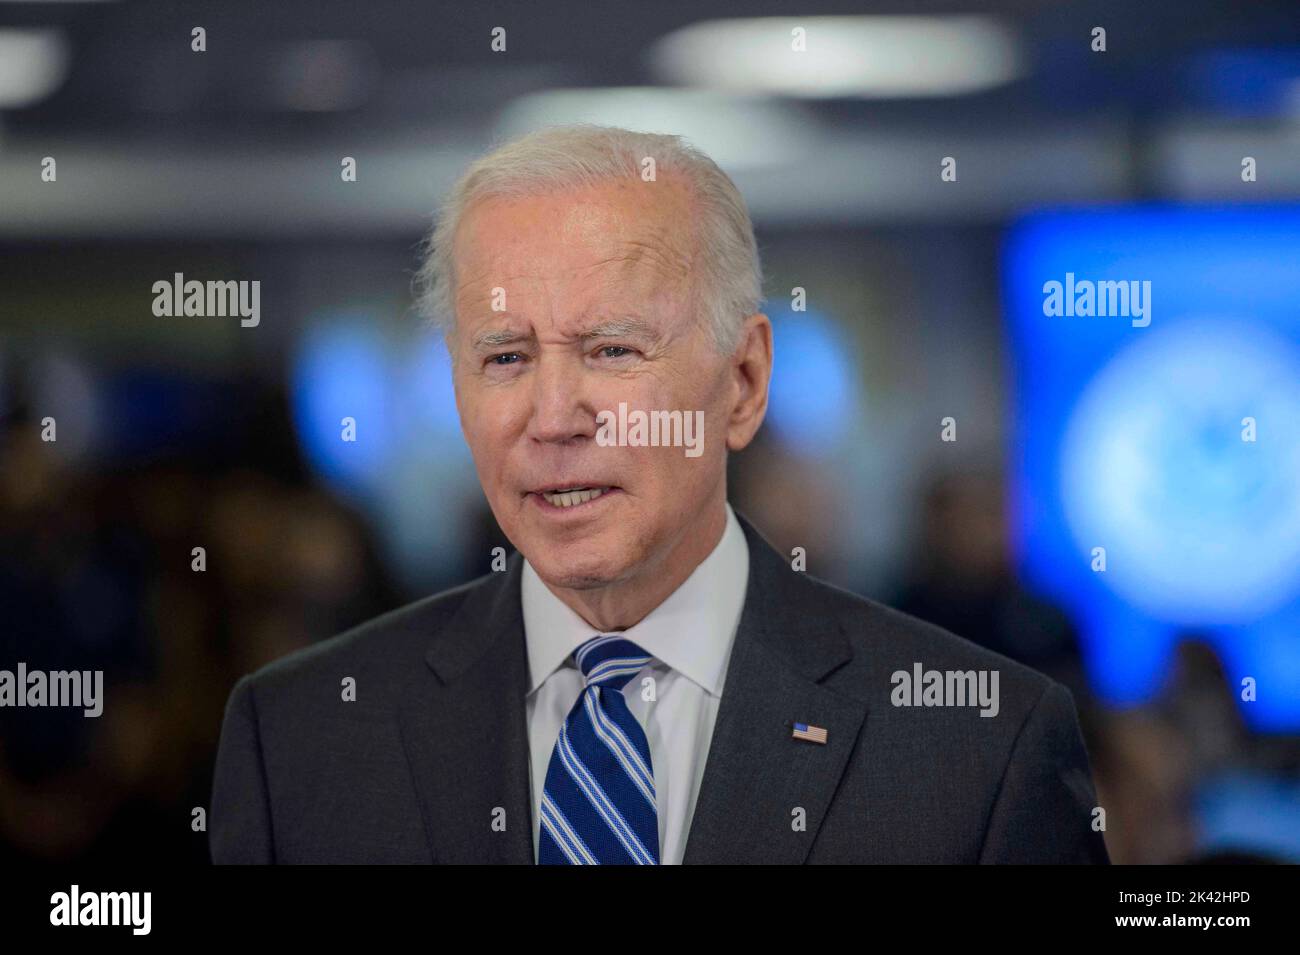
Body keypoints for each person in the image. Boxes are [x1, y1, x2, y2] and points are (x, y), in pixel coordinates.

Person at [209, 124, 1109, 864]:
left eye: (612, 349)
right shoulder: (299, 738)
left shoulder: (981, 752)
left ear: (745, 383)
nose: (553, 416)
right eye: (506, 357)